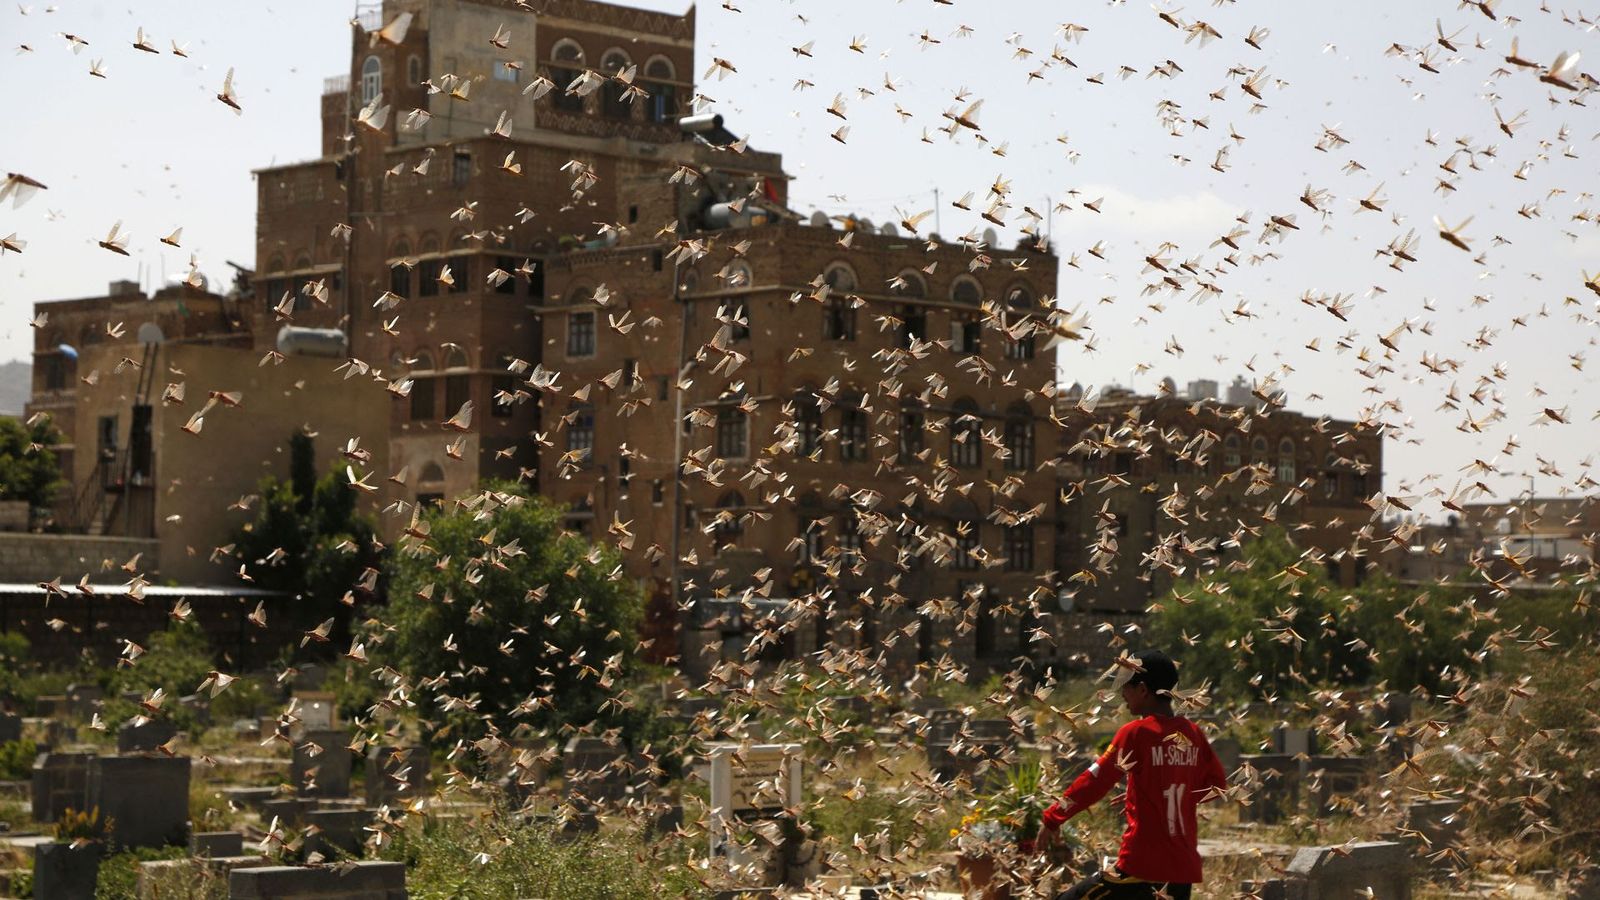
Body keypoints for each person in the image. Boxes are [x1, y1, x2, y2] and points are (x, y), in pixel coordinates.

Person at [1036, 649, 1228, 900]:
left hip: (1141, 867)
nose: (1122, 694)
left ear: (1143, 689)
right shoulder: (1193, 734)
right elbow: (1217, 785)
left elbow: (1095, 781)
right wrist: (1166, 793)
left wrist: (1053, 818)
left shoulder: (1136, 733)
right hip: (1181, 870)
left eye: (1126, 686)